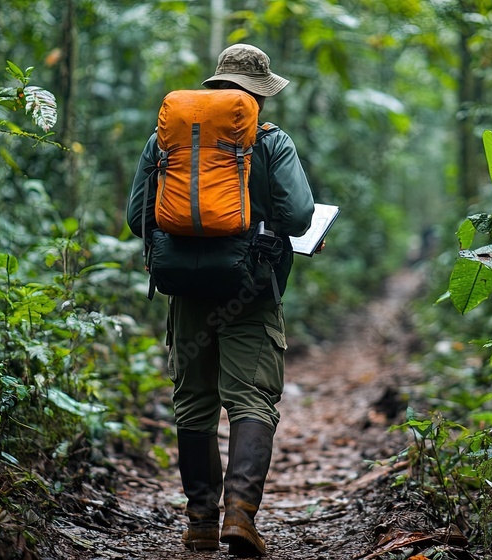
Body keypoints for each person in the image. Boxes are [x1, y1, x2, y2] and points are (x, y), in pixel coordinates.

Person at [127, 44, 315, 556]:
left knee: (194, 400)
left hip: (185, 289)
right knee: (251, 398)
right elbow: (299, 217)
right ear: (258, 92)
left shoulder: (166, 138)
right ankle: (240, 517)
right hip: (250, 290)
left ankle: (200, 522)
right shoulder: (271, 141)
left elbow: (136, 216)